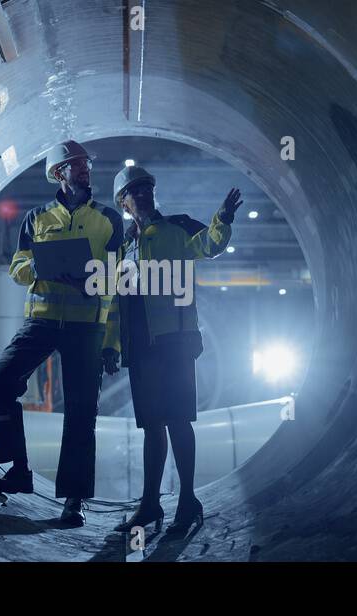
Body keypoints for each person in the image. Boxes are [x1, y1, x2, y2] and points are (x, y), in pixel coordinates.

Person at [0, 140, 124, 527]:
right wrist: (42, 269)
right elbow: (17, 268)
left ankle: (74, 500)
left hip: (87, 328)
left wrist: (111, 341)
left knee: (82, 411)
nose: (85, 170)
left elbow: (116, 281)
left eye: (87, 165)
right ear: (59, 173)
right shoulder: (35, 218)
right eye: (77, 165)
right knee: (1, 381)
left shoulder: (110, 220)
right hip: (42, 321)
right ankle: (19, 470)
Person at [102, 165, 240, 535]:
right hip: (141, 347)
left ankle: (187, 500)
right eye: (135, 191)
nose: (143, 194)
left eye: (147, 188)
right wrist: (110, 345)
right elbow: (117, 301)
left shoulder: (177, 228)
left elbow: (209, 245)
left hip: (175, 342)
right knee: (152, 428)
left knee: (178, 421)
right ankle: (150, 505)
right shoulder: (123, 249)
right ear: (124, 203)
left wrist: (222, 219)